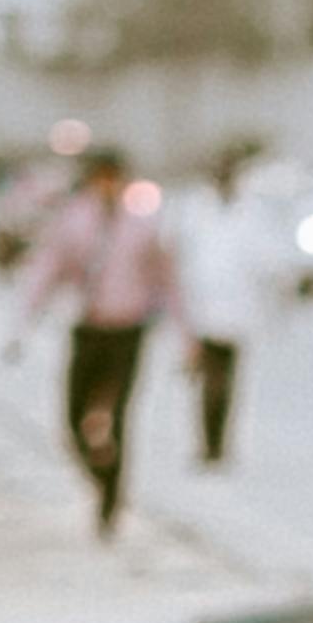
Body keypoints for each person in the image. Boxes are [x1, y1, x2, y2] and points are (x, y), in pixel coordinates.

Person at [11, 136, 184, 540]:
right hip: (88, 330)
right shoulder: (72, 221)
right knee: (73, 420)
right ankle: (100, 475)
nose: (107, 186)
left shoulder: (143, 224)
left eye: (113, 179)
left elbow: (168, 282)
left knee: (119, 417)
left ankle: (111, 501)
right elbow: (46, 273)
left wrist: (185, 335)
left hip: (128, 331)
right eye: (100, 179)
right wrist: (22, 323)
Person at [177, 140, 280, 468]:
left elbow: (270, 262)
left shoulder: (253, 212)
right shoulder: (195, 209)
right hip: (201, 307)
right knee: (210, 380)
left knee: (224, 381)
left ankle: (218, 443)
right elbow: (181, 254)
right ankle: (209, 444)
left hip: (237, 309)